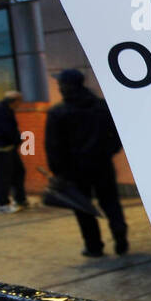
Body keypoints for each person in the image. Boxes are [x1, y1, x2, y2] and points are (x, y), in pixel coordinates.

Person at [44, 69, 128, 257]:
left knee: (83, 207)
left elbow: (54, 146)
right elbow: (117, 134)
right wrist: (109, 151)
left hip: (74, 170)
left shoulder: (58, 113)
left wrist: (58, 172)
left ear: (66, 86)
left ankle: (94, 246)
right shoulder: (101, 107)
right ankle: (119, 231)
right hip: (102, 164)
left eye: (60, 83)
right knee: (110, 201)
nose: (58, 86)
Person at [0, 90, 28, 213]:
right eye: (20, 101)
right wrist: (17, 139)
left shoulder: (4, 110)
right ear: (15, 101)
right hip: (2, 148)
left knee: (19, 172)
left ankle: (20, 199)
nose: (20, 104)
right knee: (3, 176)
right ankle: (3, 204)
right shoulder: (0, 111)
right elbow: (7, 130)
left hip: (8, 147)